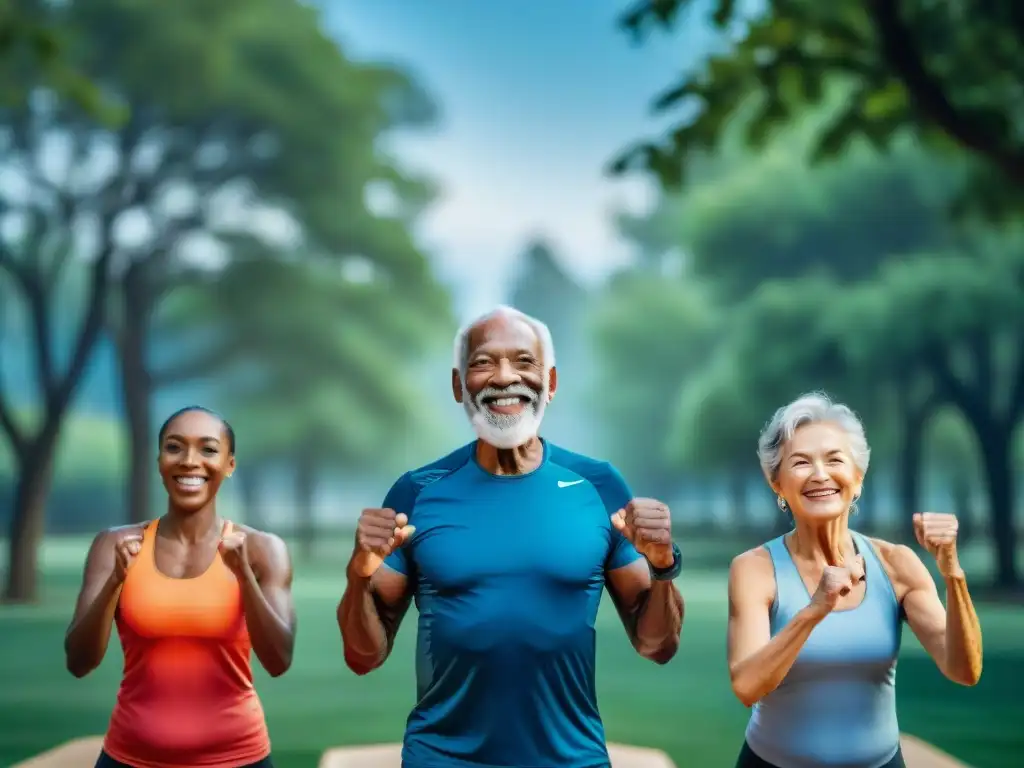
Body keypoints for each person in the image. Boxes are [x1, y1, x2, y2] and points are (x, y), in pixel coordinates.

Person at [337, 305, 684, 768]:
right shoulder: (416, 491)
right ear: (459, 384)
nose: (504, 377)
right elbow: (365, 656)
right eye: (484, 362)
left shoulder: (600, 486)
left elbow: (657, 645)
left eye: (524, 362)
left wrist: (662, 566)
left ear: (551, 383)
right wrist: (358, 573)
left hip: (571, 760)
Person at [728, 392, 983, 768]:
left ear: (858, 478)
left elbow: (964, 670)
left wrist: (953, 574)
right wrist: (815, 609)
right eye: (800, 463)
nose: (820, 474)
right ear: (777, 484)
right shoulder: (755, 569)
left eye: (834, 459)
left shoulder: (897, 565)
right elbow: (746, 685)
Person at [65, 406, 296, 768]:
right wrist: (116, 581)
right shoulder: (115, 545)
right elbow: (79, 661)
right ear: (160, 461)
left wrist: (244, 577)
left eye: (207, 449)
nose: (190, 461)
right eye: (175, 447)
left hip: (237, 759)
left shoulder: (263, 549)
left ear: (229, 464)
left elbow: (279, 660)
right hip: (130, 758)